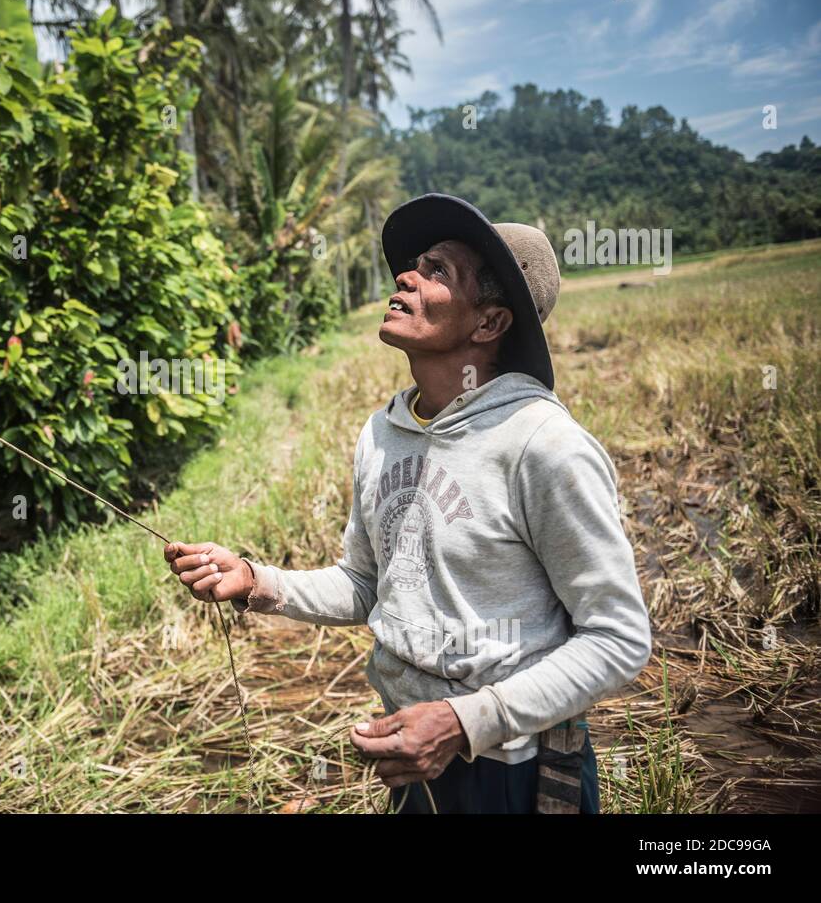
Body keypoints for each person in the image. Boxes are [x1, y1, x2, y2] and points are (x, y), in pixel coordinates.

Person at [164, 193, 652, 813]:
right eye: (414, 263)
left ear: (489, 324)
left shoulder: (542, 446)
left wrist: (463, 721)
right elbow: (368, 584)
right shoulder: (382, 433)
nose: (405, 276)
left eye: (438, 270)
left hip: (514, 772)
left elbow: (618, 638)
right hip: (412, 756)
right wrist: (258, 582)